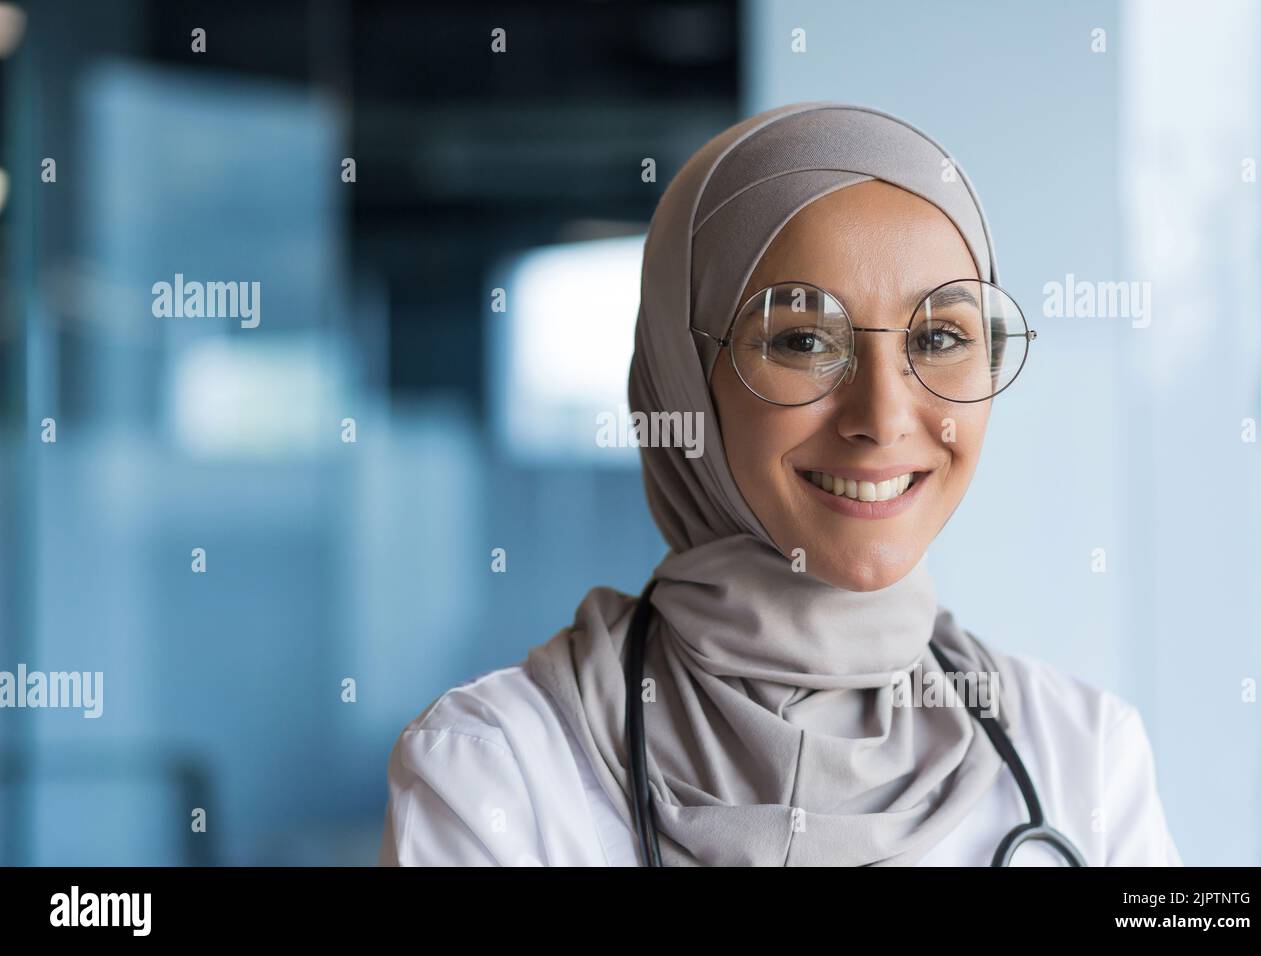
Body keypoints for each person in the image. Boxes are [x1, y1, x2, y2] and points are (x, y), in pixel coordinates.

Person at [378, 101, 1182, 867]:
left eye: (940, 336)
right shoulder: (494, 771)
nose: (883, 415)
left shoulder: (1084, 757)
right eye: (802, 339)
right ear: (685, 378)